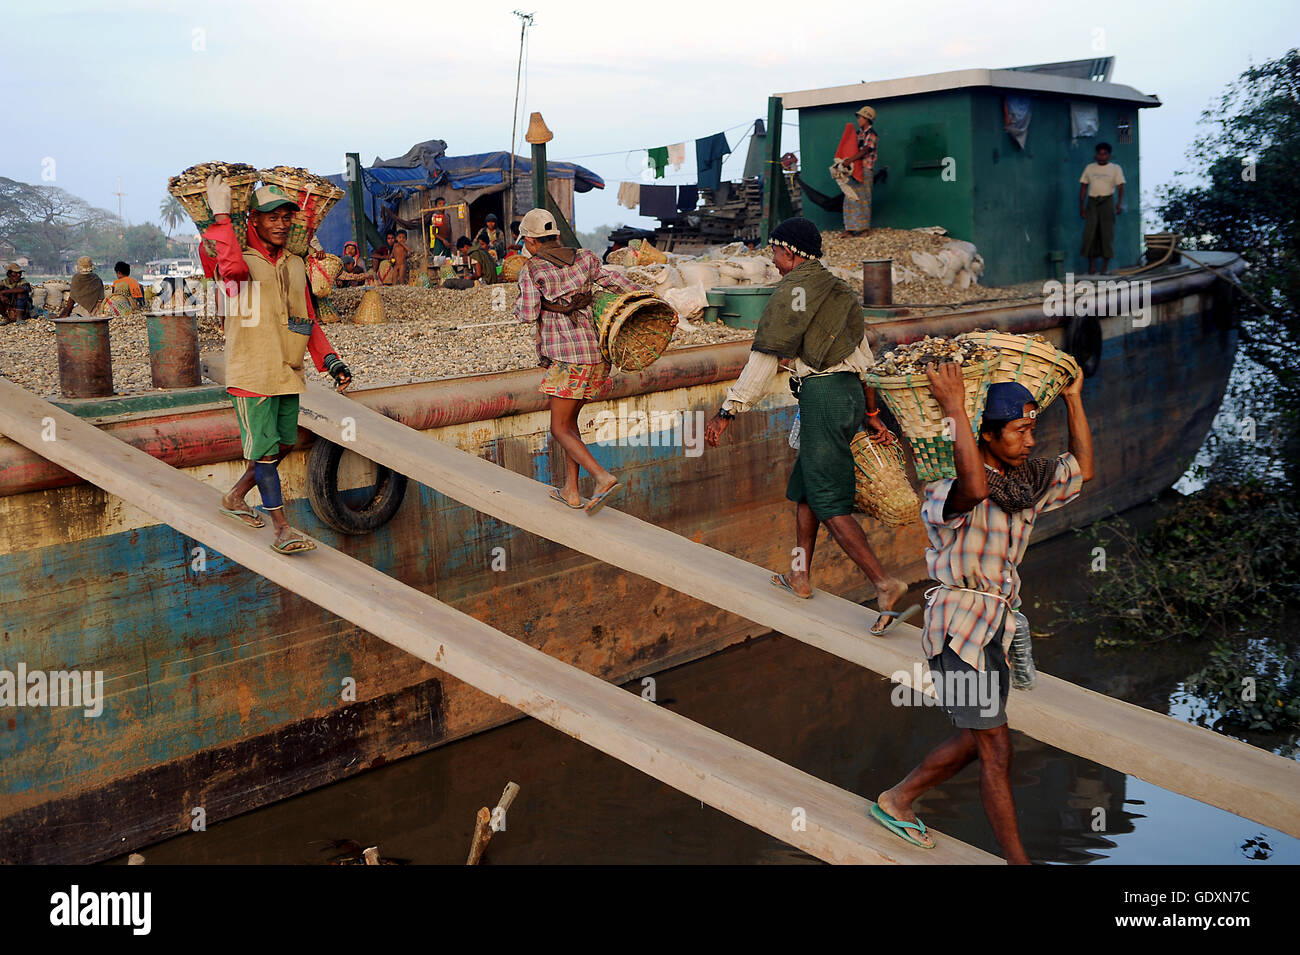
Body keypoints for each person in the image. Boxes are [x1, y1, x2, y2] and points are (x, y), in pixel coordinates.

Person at [871, 369, 1093, 863]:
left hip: (995, 627)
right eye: (1019, 431)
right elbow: (974, 487)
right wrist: (954, 407)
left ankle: (898, 799)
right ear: (986, 435)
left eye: (1032, 430)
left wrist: (1074, 398)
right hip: (957, 630)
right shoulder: (944, 486)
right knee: (996, 748)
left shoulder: (1025, 484)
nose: (1031, 441)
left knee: (980, 741)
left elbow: (1084, 468)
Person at [703, 216, 908, 634]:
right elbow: (865, 362)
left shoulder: (792, 292)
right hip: (849, 396)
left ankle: (883, 583)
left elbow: (762, 361)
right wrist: (871, 415)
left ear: (792, 253)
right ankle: (800, 576)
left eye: (777, 253)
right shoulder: (837, 290)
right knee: (806, 493)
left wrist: (728, 411)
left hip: (823, 400)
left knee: (828, 500)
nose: (775, 262)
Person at [201, 174, 354, 554]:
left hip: (287, 373)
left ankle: (235, 496)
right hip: (252, 373)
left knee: (285, 443)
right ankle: (281, 529)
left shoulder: (295, 265)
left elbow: (307, 319)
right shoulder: (238, 264)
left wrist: (331, 361)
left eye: (287, 217)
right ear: (253, 219)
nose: (281, 224)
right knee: (266, 453)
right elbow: (232, 271)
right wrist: (221, 214)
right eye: (272, 217)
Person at [514, 207, 641, 514]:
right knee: (570, 423)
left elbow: (527, 314)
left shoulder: (532, 269)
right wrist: (650, 298)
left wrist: (525, 303)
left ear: (531, 241)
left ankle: (602, 477)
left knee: (558, 428)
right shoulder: (585, 257)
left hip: (567, 360)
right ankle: (571, 490)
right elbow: (615, 283)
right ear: (556, 235)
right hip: (597, 356)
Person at [1079, 142, 1125, 273]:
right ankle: (1091, 266)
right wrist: (1082, 207)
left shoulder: (1115, 168)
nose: (1102, 156)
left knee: (1107, 233)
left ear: (1109, 155)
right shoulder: (1090, 168)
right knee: (1090, 233)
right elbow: (1083, 187)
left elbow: (1121, 187)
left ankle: (1104, 267)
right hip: (1092, 201)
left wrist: (1119, 204)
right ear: (1096, 155)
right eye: (1099, 154)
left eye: (1104, 154)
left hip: (1107, 201)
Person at [836, 105, 878, 235]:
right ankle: (850, 228)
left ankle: (864, 229)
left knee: (864, 198)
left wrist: (850, 160)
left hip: (865, 170)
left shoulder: (872, 135)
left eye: (860, 117)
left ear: (867, 119)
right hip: (855, 171)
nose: (858, 120)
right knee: (850, 197)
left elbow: (865, 150)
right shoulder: (858, 134)